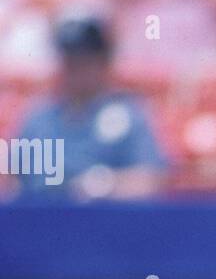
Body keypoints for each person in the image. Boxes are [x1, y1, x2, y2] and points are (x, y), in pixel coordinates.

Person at [17, 13, 167, 199]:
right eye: (70, 59)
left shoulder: (130, 115)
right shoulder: (39, 118)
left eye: (86, 59)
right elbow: (15, 184)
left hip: (107, 223)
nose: (77, 68)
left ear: (105, 62)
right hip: (43, 222)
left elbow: (150, 179)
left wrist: (104, 184)